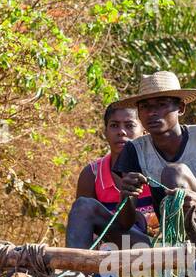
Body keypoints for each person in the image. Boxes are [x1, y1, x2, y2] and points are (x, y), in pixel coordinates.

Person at [108, 71, 196, 229]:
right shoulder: (135, 149)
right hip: (170, 238)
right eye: (145, 106)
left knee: (175, 172)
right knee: (84, 207)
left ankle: (186, 247)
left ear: (180, 108)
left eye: (161, 104)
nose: (152, 112)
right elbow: (125, 224)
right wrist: (126, 195)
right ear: (139, 113)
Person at [64, 102, 156, 249]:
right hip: (110, 252)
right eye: (114, 125)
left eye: (129, 125)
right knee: (83, 206)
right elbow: (86, 226)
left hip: (153, 250)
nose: (121, 132)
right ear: (105, 132)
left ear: (144, 132)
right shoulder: (92, 174)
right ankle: (76, 269)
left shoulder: (156, 169)